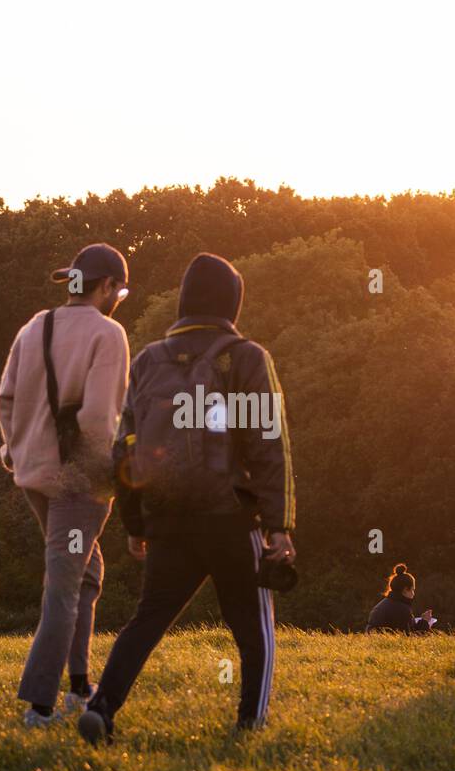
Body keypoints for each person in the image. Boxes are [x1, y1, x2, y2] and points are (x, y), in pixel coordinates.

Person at [78, 252, 296, 745]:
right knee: (252, 627)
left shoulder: (150, 359)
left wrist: (135, 524)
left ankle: (103, 706)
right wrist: (279, 524)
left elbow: (125, 448)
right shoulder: (245, 357)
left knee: (147, 619)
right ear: (230, 304)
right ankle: (250, 724)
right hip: (229, 517)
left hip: (167, 516)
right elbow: (269, 444)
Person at [0, 243, 132, 726]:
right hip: (80, 479)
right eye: (121, 289)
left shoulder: (36, 326)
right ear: (107, 286)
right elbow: (99, 416)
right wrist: (112, 474)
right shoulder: (108, 334)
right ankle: (40, 705)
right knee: (64, 586)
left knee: (86, 572)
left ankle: (78, 685)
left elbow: (6, 399)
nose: (121, 297)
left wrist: (15, 452)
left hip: (33, 475)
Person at [366, 563, 436, 633]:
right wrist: (425, 622)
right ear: (405, 589)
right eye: (412, 590)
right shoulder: (402, 609)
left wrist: (422, 621)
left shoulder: (384, 604)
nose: (413, 594)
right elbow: (411, 638)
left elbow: (404, 631)